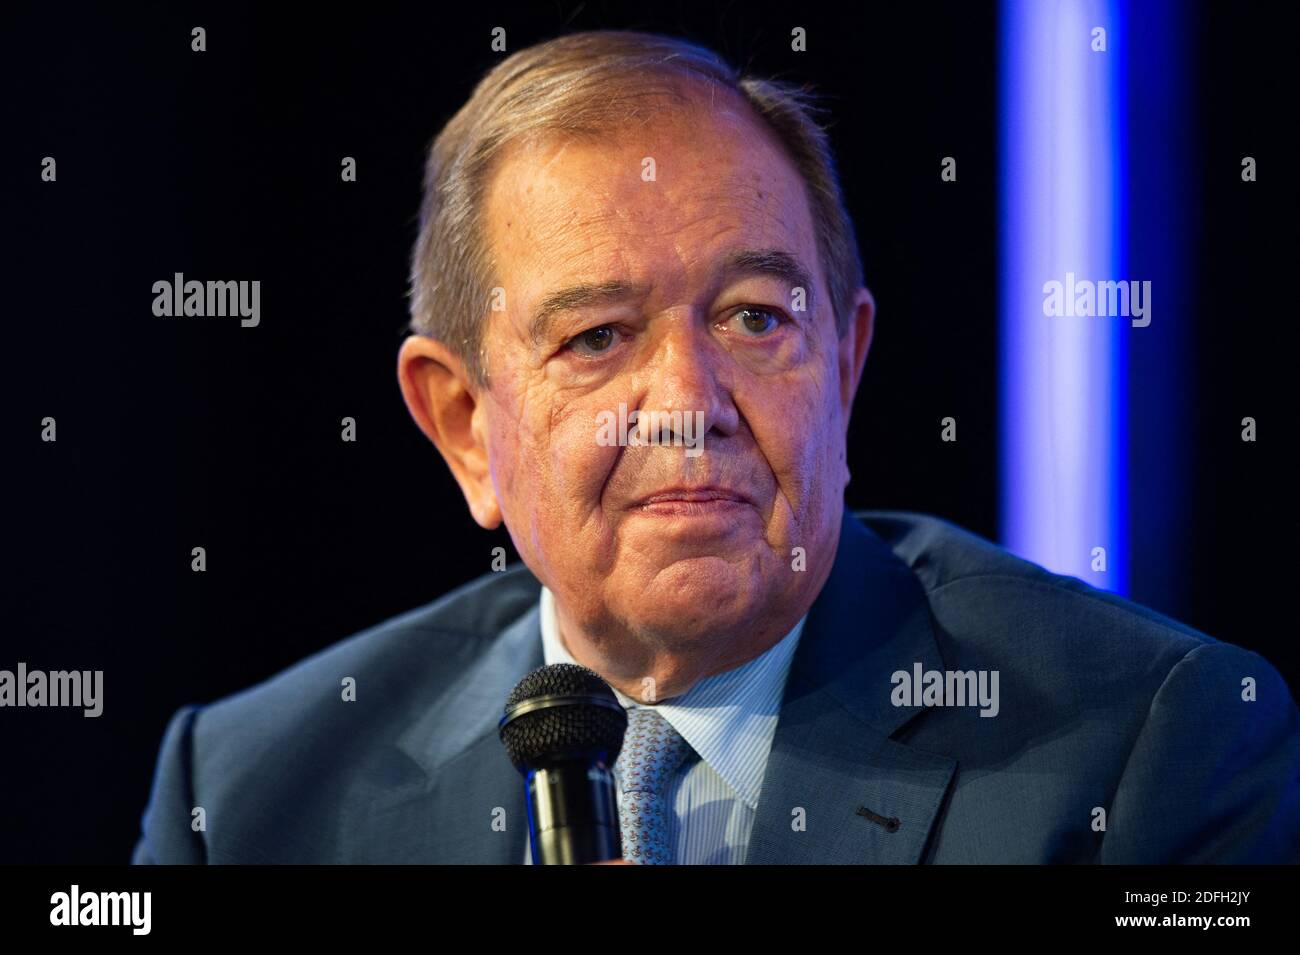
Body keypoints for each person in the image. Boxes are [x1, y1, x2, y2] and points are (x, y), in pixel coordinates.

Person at [131, 29, 1300, 865]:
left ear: (841, 370)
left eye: (754, 316)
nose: (688, 400)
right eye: (595, 336)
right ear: (464, 425)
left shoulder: (1152, 742)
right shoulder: (245, 796)